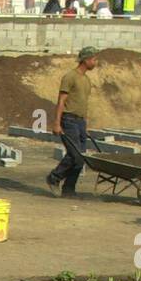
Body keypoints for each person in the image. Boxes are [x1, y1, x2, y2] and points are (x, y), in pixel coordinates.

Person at [46, 45, 99, 199]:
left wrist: (85, 125)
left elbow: (82, 103)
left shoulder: (86, 80)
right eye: (94, 59)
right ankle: (54, 178)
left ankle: (69, 189)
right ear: (86, 60)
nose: (96, 62)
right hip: (68, 120)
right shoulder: (70, 77)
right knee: (75, 155)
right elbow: (61, 101)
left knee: (81, 158)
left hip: (80, 122)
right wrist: (57, 123)